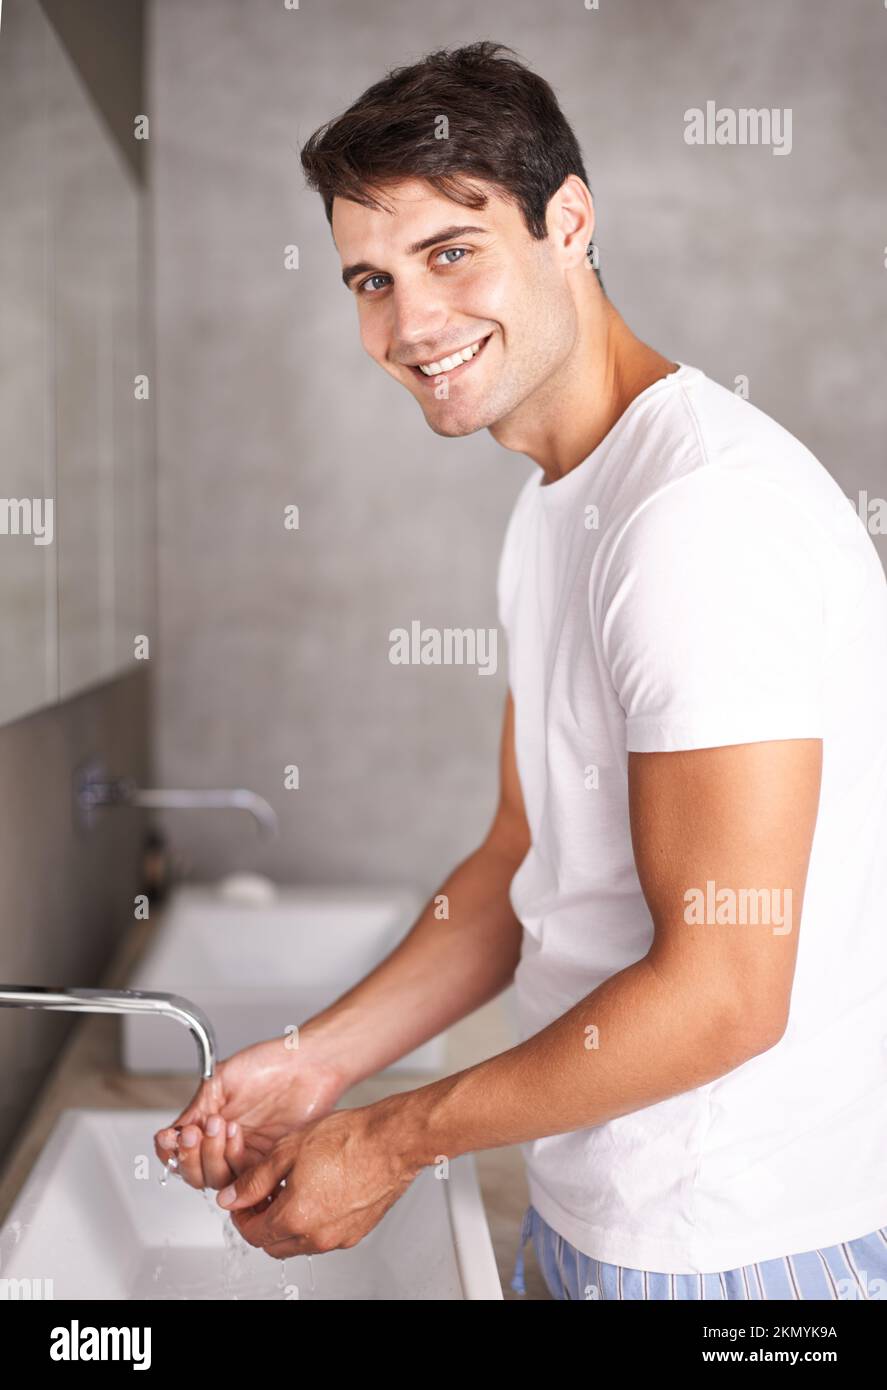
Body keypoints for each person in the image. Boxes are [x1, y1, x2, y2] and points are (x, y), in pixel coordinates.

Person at [155, 42, 887, 1300]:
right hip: (600, 1205)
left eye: (452, 252)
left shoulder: (698, 516)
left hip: (737, 1250)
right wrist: (318, 1060)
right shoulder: (562, 503)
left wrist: (389, 1136)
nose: (410, 324)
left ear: (570, 222)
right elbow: (514, 864)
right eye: (370, 280)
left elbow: (724, 990)